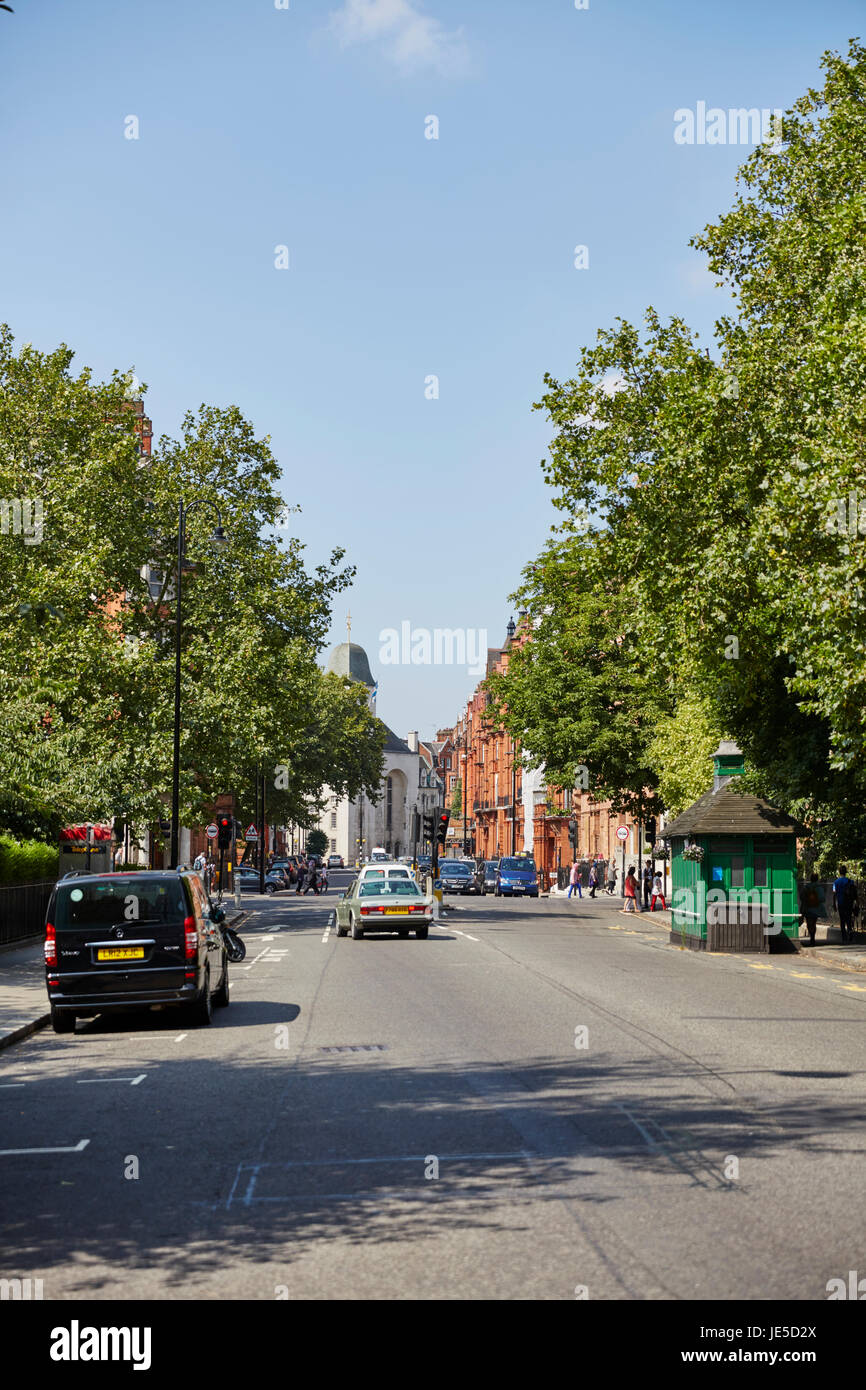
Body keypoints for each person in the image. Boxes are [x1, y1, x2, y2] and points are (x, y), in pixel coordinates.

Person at [832, 866, 858, 942]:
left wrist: (834, 904)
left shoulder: (836, 882)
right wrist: (857, 903)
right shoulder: (850, 881)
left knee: (842, 920)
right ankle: (850, 931)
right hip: (849, 903)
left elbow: (834, 894)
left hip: (841, 903)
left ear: (839, 872)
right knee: (849, 918)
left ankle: (844, 937)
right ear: (846, 872)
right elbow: (855, 893)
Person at [799, 873, 822, 945]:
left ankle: (811, 936)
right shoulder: (819, 887)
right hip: (815, 907)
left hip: (807, 907)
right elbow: (822, 898)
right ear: (817, 879)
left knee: (809, 923)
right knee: (814, 923)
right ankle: (813, 937)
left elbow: (801, 897)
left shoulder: (806, 887)